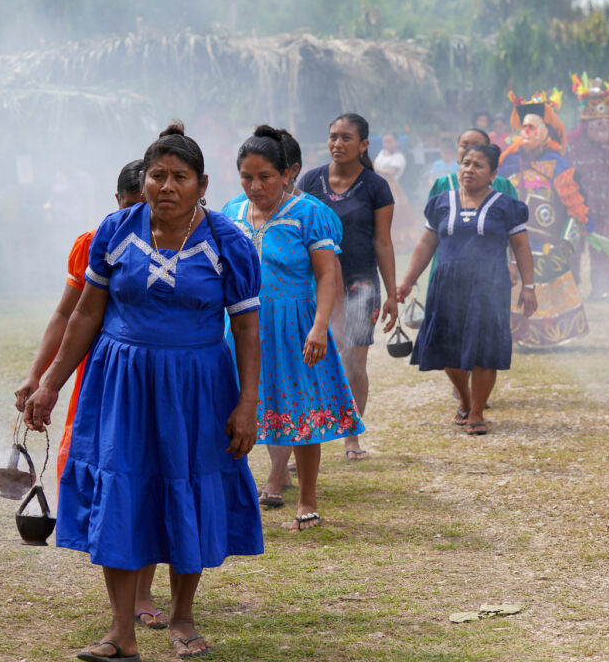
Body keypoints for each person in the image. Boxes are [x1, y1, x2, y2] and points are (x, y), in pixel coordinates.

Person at [22, 122, 263, 662]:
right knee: (123, 488)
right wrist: (50, 383)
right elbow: (86, 313)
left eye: (181, 176)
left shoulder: (229, 243)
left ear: (202, 184)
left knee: (188, 486)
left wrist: (248, 404)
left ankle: (182, 614)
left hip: (196, 385)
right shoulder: (115, 231)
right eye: (158, 175)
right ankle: (120, 631)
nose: (167, 186)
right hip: (121, 382)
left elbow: (246, 330)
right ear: (145, 178)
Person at [14, 160, 171, 631]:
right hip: (102, 376)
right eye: (128, 207)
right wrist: (37, 375)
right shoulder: (95, 242)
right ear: (118, 202)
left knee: (153, 475)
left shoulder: (185, 245)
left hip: (158, 375)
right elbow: (67, 315)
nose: (135, 220)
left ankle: (142, 592)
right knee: (113, 477)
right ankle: (123, 589)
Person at [225, 126, 363, 530]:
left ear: (288, 173)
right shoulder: (230, 214)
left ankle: (307, 499)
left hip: (296, 328)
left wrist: (320, 328)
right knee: (246, 406)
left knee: (302, 410)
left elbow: (326, 277)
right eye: (247, 177)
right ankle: (242, 493)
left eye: (265, 176)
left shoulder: (310, 215)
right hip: (242, 327)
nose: (255, 186)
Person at [397, 143, 536, 435]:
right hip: (447, 284)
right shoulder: (441, 202)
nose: (469, 170)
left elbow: (521, 247)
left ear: (493, 173)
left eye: (478, 166)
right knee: (449, 348)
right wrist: (407, 280)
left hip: (490, 286)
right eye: (466, 164)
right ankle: (464, 395)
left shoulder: (506, 206)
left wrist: (529, 286)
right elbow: (425, 244)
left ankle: (476, 411)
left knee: (485, 349)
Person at [299, 113, 399, 461]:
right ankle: (304, 436)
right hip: (313, 286)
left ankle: (351, 435)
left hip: (360, 285)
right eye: (333, 137)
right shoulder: (310, 181)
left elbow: (383, 243)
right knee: (309, 361)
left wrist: (393, 294)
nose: (337, 145)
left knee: (354, 362)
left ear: (364, 145)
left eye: (346, 138)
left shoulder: (376, 186)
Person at [497, 92, 592, 347]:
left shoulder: (558, 164)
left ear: (546, 131)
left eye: (532, 127)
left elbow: (577, 210)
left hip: (548, 244)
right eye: (523, 126)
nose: (526, 131)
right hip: (514, 244)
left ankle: (558, 336)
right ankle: (516, 335)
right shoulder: (507, 163)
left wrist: (566, 245)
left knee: (549, 285)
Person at [567, 74, 609, 300]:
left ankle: (604, 288)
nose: (602, 124)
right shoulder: (570, 144)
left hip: (603, 210)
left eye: (605, 121)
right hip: (572, 210)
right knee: (571, 249)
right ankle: (568, 292)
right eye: (596, 121)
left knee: (603, 250)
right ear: (585, 122)